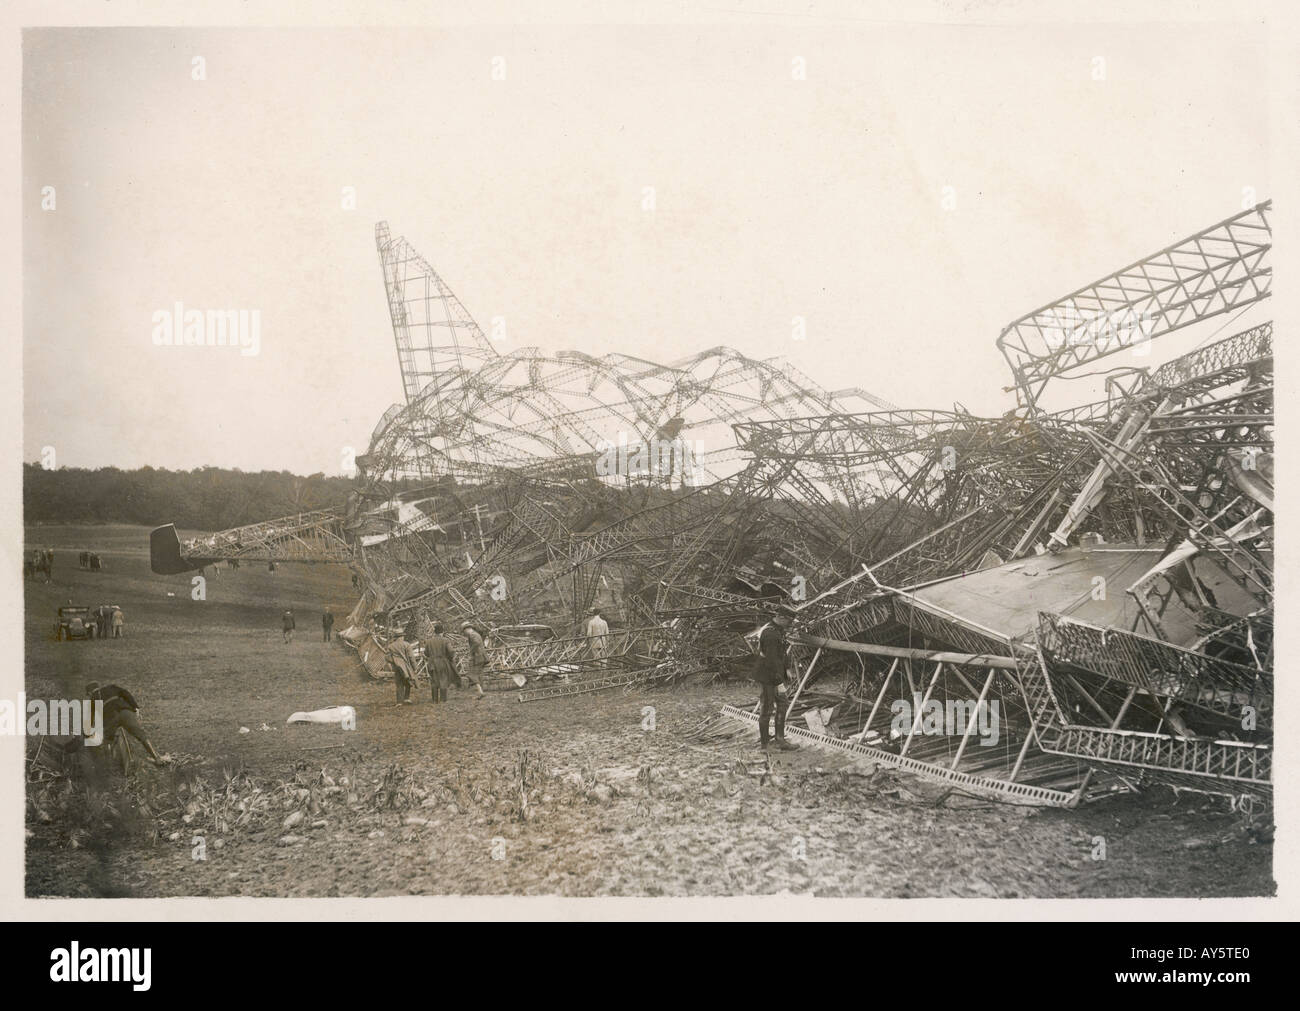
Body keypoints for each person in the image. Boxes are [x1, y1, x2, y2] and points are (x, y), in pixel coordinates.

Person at [84, 681, 165, 765]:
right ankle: (157, 758)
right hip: (125, 712)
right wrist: (135, 707)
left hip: (110, 718)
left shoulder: (92, 699)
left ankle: (109, 766)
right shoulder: (111, 687)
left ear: (90, 692)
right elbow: (126, 693)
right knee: (141, 735)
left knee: (108, 741)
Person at [753, 608, 797, 751]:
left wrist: (787, 669)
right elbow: (772, 661)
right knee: (767, 708)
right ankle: (765, 745)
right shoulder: (770, 634)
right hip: (767, 676)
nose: (790, 625)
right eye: (789, 621)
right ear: (781, 617)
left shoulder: (777, 630)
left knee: (783, 704)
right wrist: (779, 682)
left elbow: (782, 653)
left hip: (775, 674)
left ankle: (780, 739)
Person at [422, 621, 460, 704]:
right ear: (442, 632)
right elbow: (451, 652)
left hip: (432, 663)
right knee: (443, 680)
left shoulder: (429, 641)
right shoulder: (445, 640)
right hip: (443, 662)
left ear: (435, 632)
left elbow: (426, 653)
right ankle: (443, 700)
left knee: (434, 681)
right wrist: (451, 659)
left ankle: (434, 700)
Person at [390, 628, 419, 705]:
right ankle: (406, 698)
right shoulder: (407, 644)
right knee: (408, 681)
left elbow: (387, 657)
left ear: (396, 637)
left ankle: (399, 701)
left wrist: (395, 661)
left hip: (397, 667)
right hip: (406, 666)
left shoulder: (391, 646)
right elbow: (411, 657)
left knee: (399, 683)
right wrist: (415, 667)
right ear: (401, 637)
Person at [460, 621, 487, 699]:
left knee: (471, 674)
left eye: (464, 631)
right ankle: (481, 692)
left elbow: (477, 643)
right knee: (479, 674)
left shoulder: (472, 635)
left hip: (477, 657)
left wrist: (471, 651)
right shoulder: (476, 634)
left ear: (467, 629)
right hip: (481, 656)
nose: (464, 633)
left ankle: (481, 693)